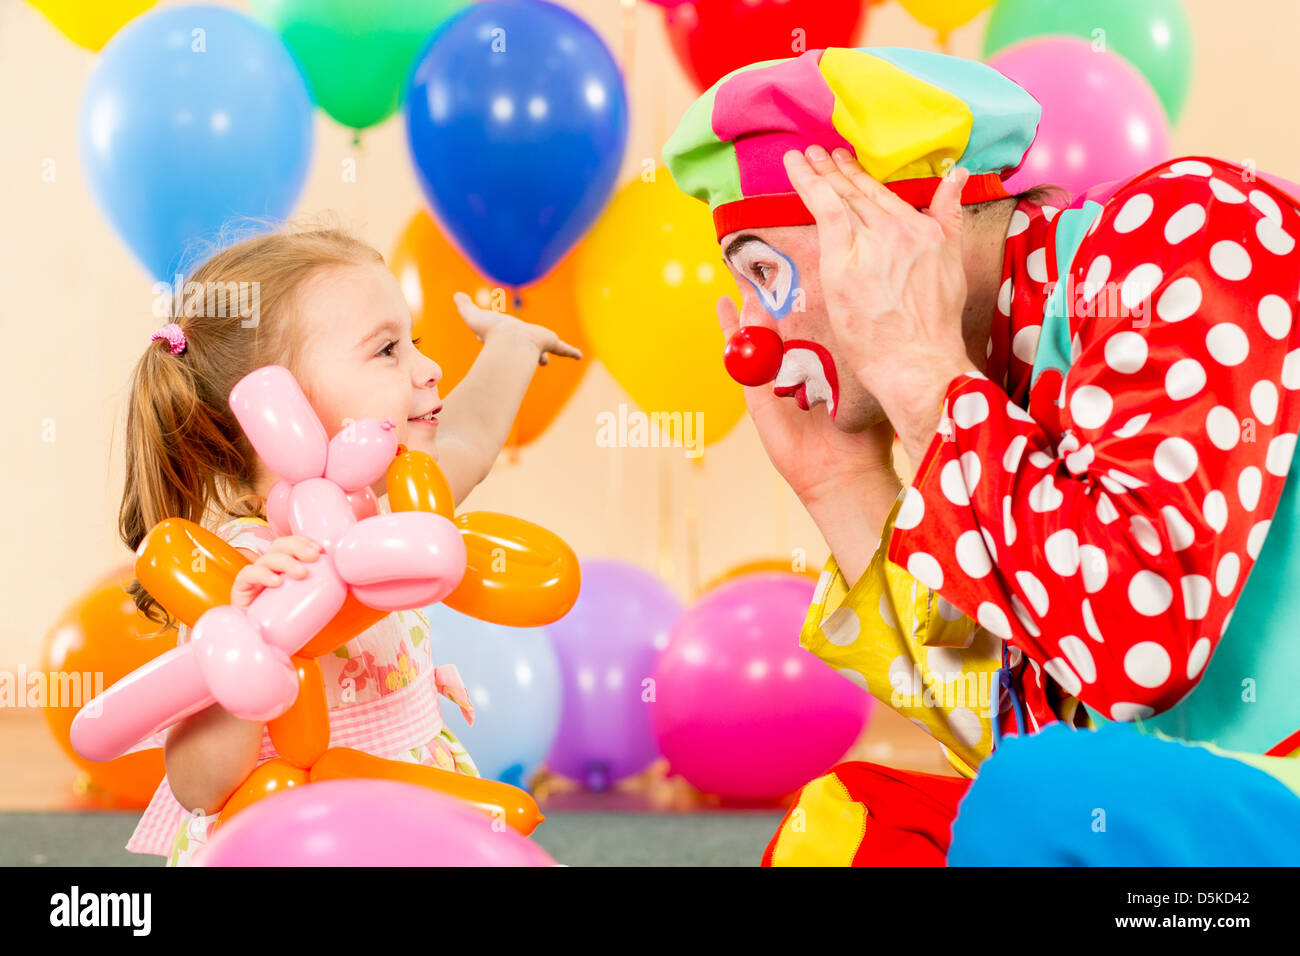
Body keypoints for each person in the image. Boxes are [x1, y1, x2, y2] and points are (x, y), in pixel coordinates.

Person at [663, 45, 1300, 865]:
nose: (752, 340)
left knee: (1037, 800)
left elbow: (1137, 649)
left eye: (763, 270)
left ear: (903, 227)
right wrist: (839, 482)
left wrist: (926, 379)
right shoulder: (993, 386)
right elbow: (999, 729)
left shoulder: (1186, 230)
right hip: (1194, 835)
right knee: (857, 827)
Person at [118, 220, 581, 865]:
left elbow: (470, 439)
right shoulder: (242, 571)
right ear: (278, 403)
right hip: (298, 838)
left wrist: (510, 343)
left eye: (412, 339)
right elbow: (199, 786)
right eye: (387, 350)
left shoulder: (391, 506)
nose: (429, 367)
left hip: (411, 809)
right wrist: (252, 639)